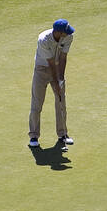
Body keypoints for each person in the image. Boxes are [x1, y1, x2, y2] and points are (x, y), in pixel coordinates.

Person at [29, 19, 74, 149]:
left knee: (61, 102)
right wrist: (56, 81)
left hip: (57, 68)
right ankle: (33, 136)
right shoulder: (43, 39)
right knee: (37, 103)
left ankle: (63, 134)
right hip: (41, 70)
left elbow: (63, 58)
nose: (68, 33)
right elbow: (50, 63)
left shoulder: (68, 37)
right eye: (65, 31)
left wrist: (61, 79)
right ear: (58, 32)